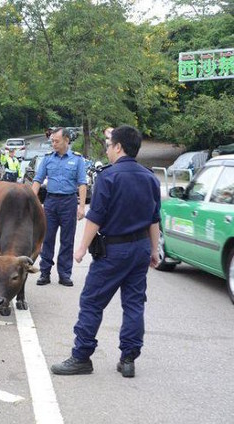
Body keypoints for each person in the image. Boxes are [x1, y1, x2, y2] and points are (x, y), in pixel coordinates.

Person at [50, 125, 161, 378]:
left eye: (110, 145)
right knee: (134, 304)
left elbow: (95, 217)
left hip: (114, 250)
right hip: (140, 248)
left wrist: (80, 249)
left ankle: (81, 357)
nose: (108, 150)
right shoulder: (150, 178)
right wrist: (154, 251)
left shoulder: (108, 177)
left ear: (119, 147)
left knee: (91, 302)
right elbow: (154, 219)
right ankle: (129, 359)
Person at [32, 127, 87, 286]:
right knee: (47, 239)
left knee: (67, 240)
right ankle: (45, 273)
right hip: (50, 202)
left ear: (66, 140)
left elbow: (82, 184)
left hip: (69, 202)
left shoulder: (77, 160)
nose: (53, 144)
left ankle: (64, 274)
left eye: (56, 141)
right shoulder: (48, 159)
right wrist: (31, 200)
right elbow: (37, 180)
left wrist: (82, 207)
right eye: (52, 141)